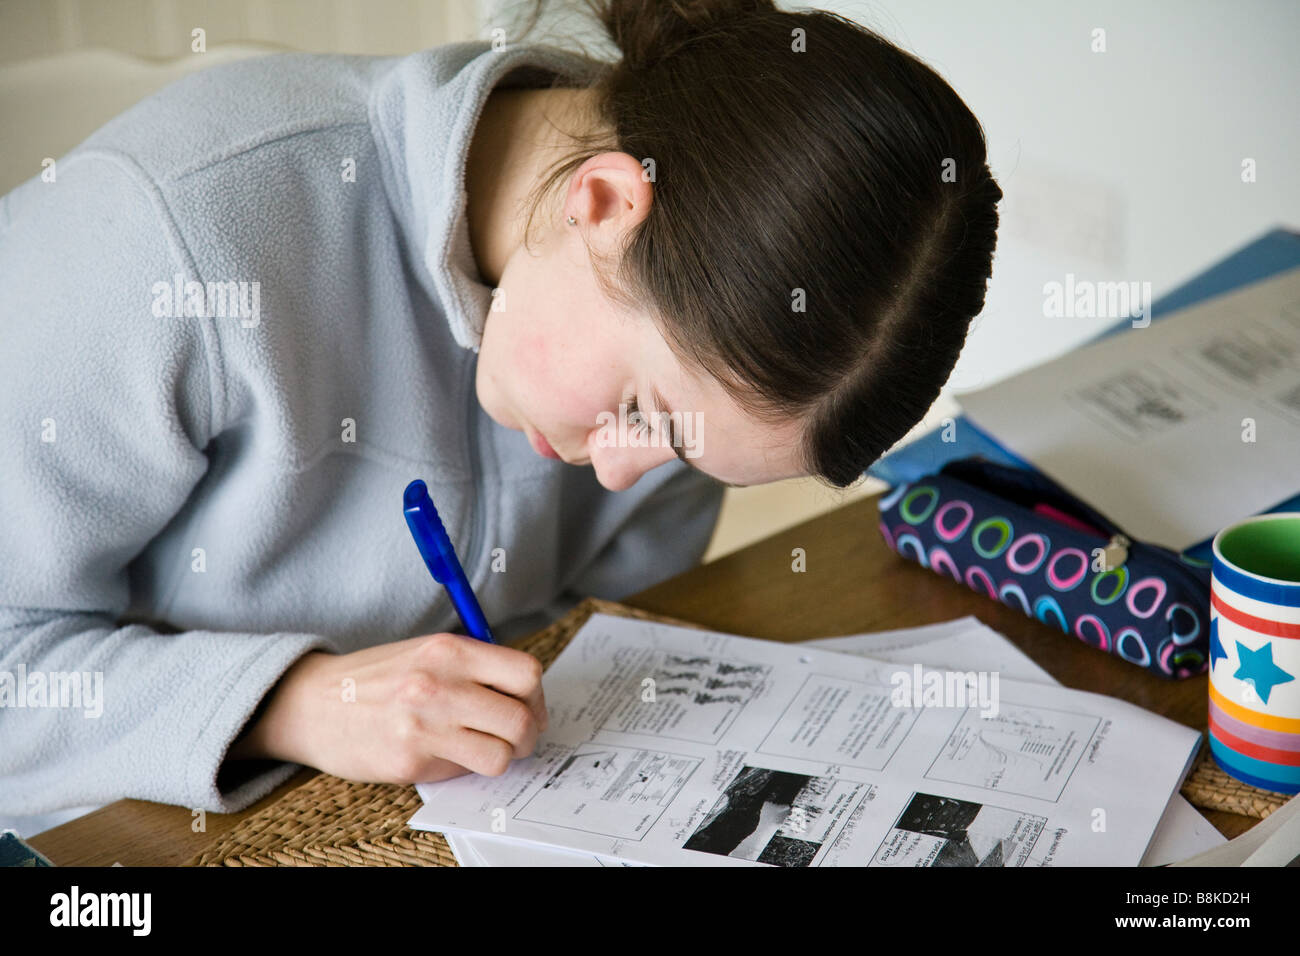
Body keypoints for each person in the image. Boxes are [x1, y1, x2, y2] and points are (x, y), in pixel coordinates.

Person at [0, 0, 1001, 828]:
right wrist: (289, 702)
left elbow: (588, 639)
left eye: (687, 458)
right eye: (641, 412)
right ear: (604, 204)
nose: (616, 476)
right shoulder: (177, 236)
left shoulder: (684, 366)